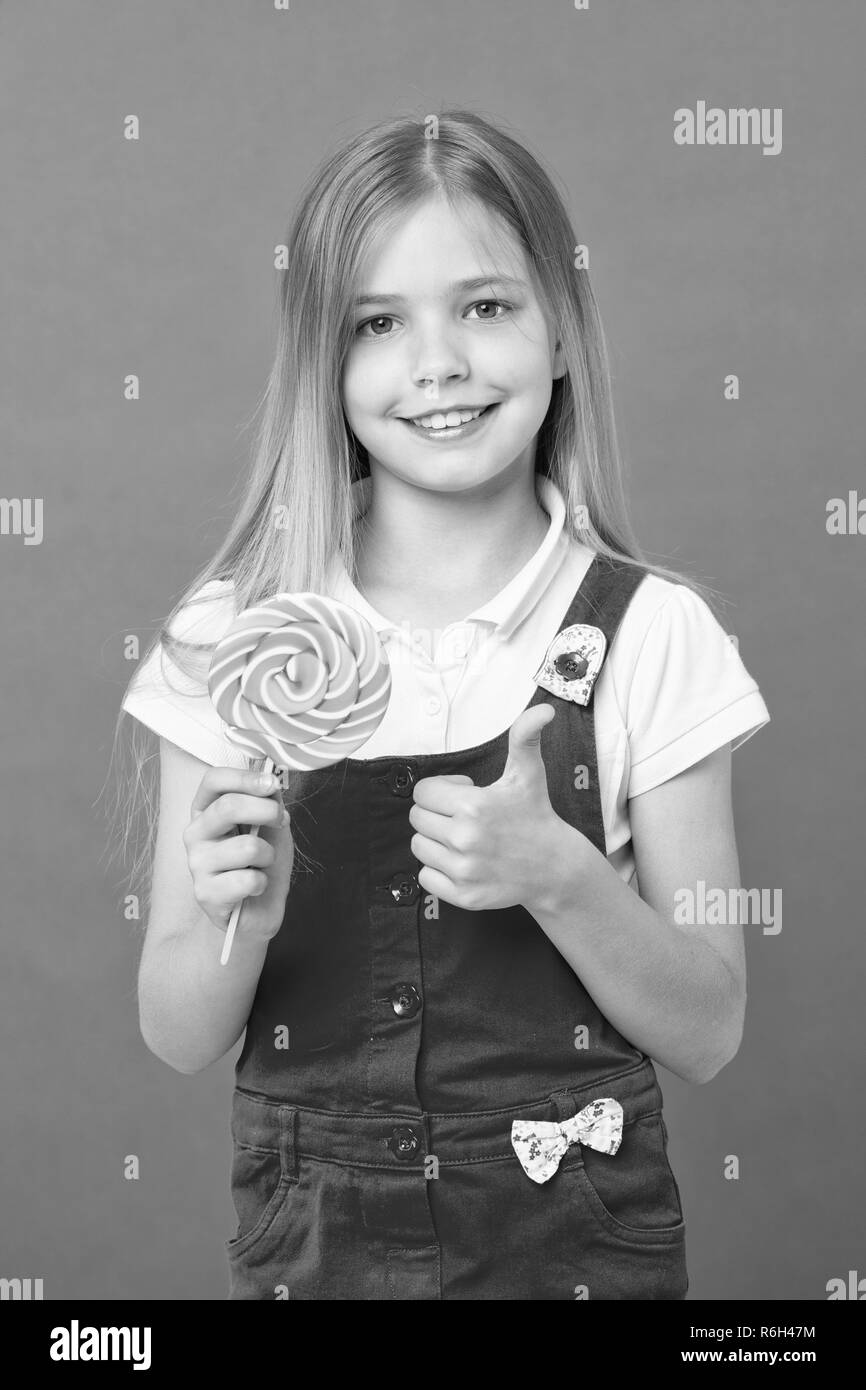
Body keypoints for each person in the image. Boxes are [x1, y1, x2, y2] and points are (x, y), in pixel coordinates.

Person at [116, 109, 770, 1300]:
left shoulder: (650, 632)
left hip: (573, 1243)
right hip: (310, 1245)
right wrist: (238, 919)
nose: (438, 366)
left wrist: (559, 874)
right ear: (326, 360)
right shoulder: (237, 642)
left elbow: (709, 1025)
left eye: (484, 306)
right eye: (377, 323)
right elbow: (177, 1027)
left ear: (560, 334)